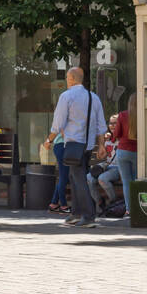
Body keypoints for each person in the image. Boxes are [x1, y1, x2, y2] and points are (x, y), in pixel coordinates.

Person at [44, 67, 107, 228]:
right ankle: (76, 213)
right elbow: (101, 125)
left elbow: (58, 123)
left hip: (73, 143)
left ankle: (88, 215)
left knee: (78, 179)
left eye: (67, 77)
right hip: (88, 145)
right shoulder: (94, 98)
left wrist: (49, 140)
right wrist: (101, 146)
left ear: (71, 78)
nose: (66, 80)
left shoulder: (66, 96)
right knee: (74, 177)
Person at [110, 94, 138, 205]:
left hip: (123, 151)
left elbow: (116, 134)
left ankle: (128, 209)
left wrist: (111, 138)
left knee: (126, 182)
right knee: (137, 181)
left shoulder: (122, 115)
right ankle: (138, 207)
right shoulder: (143, 114)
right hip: (137, 151)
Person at [48, 129, 71, 214]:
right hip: (63, 146)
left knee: (63, 177)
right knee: (63, 177)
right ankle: (64, 206)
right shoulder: (65, 116)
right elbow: (63, 131)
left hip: (61, 146)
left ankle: (54, 204)